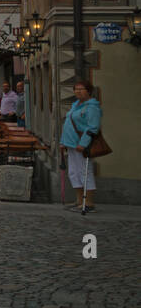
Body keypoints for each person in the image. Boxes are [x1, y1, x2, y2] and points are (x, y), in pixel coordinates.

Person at [61, 78, 102, 214]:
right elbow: (68, 124)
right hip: (71, 143)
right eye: (76, 89)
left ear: (88, 91)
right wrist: (63, 142)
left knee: (85, 172)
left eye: (81, 89)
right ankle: (79, 200)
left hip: (81, 145)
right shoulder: (76, 105)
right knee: (74, 172)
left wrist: (83, 144)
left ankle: (89, 202)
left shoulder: (92, 107)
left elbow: (93, 127)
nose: (77, 91)